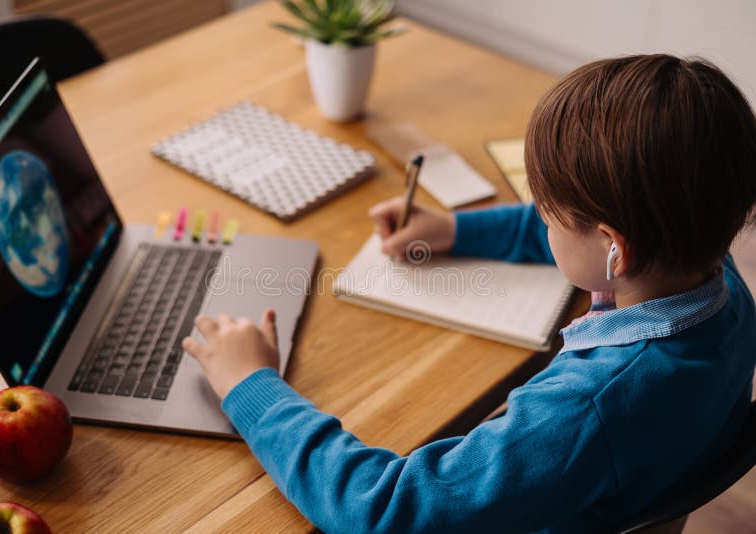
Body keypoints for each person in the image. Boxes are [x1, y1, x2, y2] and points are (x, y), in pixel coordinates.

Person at [181, 54, 756, 532]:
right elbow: (603, 227)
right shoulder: (712, 271)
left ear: (614, 249)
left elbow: (383, 510)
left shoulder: (586, 409)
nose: (543, 222)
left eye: (549, 215)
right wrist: (457, 230)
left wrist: (250, 386)